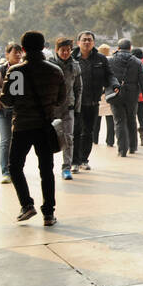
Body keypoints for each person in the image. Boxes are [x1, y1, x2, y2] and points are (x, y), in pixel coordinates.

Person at [1, 30, 68, 226]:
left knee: (15, 167)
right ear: (43, 47)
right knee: (46, 170)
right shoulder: (54, 71)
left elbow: (8, 100)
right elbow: (60, 100)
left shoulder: (17, 72)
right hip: (44, 126)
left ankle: (27, 205)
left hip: (22, 126)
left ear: (22, 49)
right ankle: (48, 213)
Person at [72, 31, 117, 172]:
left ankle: (84, 159)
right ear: (78, 42)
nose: (87, 42)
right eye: (84, 40)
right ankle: (74, 161)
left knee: (88, 132)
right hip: (75, 103)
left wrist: (114, 85)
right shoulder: (72, 58)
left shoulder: (101, 59)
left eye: (89, 40)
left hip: (92, 102)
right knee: (75, 132)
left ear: (93, 42)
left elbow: (109, 75)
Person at [0, 42, 23, 183]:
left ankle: (15, 168)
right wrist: (7, 97)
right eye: (14, 52)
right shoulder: (1, 69)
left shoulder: (25, 69)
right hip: (3, 110)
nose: (17, 55)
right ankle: (5, 171)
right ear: (7, 53)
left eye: (19, 52)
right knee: (6, 140)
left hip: (20, 112)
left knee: (18, 141)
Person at [108, 40, 143, 156]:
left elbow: (107, 76)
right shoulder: (137, 61)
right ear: (130, 48)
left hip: (116, 94)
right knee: (131, 119)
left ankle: (122, 150)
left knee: (119, 121)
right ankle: (133, 147)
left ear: (118, 48)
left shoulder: (111, 60)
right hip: (132, 95)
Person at [53, 37, 83, 180]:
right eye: (62, 50)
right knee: (49, 137)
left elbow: (78, 88)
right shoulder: (50, 65)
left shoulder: (75, 65)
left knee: (68, 138)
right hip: (52, 108)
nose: (65, 53)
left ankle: (66, 167)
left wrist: (77, 107)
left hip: (68, 107)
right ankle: (48, 165)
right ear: (56, 50)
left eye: (68, 50)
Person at [96, 42, 113, 145]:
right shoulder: (112, 61)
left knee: (96, 119)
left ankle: (94, 139)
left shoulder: (96, 61)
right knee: (110, 118)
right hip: (109, 93)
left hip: (98, 92)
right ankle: (110, 141)